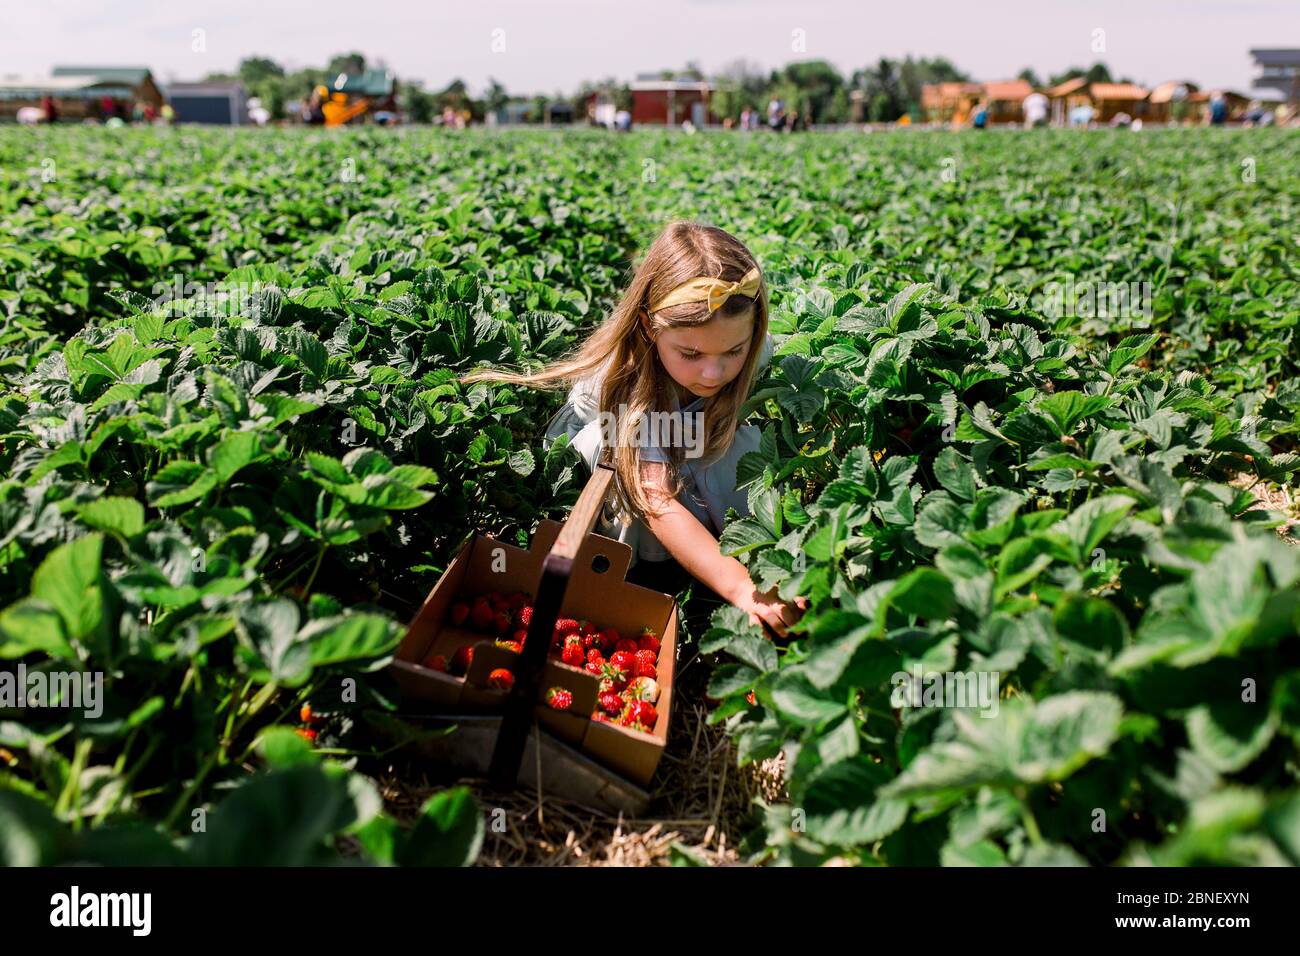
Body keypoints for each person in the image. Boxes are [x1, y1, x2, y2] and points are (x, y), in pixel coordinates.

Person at [459, 221, 808, 640]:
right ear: (647, 326)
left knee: (743, 449)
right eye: (691, 353)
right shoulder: (626, 383)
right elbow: (655, 497)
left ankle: (737, 545)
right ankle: (651, 574)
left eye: (733, 351)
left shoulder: (751, 345)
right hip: (618, 453)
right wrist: (741, 589)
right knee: (628, 486)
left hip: (689, 436)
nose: (714, 372)